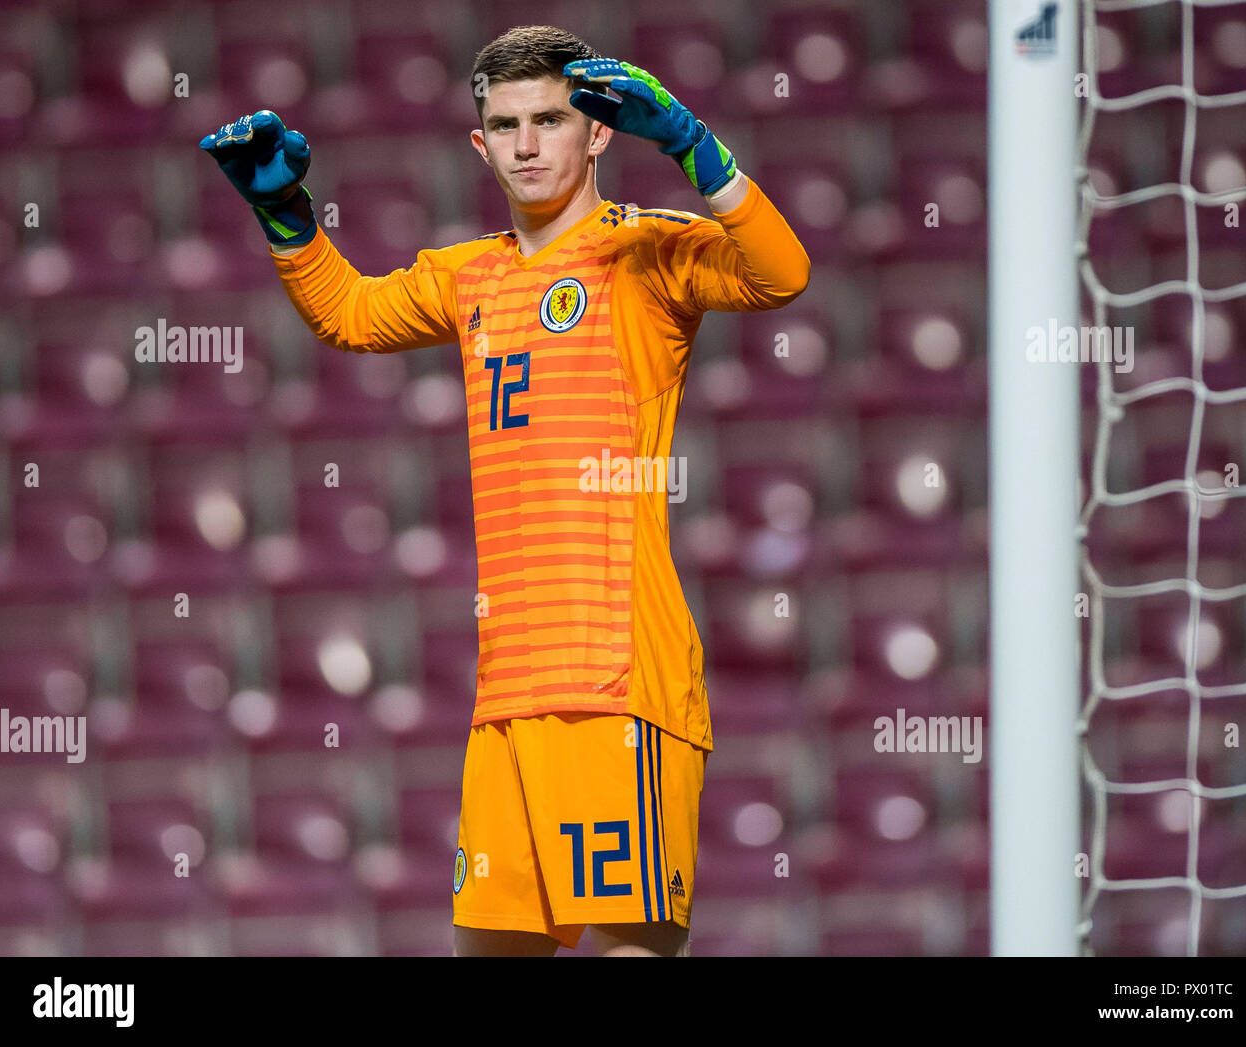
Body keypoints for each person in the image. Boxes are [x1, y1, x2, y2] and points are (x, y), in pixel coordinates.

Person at [200, 24, 810, 957]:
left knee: (627, 947)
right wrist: (287, 211)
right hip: (508, 696)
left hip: (618, 681)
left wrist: (692, 143)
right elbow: (352, 315)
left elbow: (783, 273)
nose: (528, 146)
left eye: (551, 120)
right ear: (479, 143)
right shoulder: (468, 275)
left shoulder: (648, 253)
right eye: (506, 125)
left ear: (600, 132)